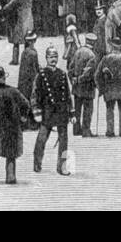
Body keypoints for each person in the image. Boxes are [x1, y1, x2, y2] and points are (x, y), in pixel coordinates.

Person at [31, 45, 72, 176]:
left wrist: (72, 113)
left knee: (64, 141)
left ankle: (62, 167)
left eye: (55, 57)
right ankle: (37, 163)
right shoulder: (41, 75)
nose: (53, 59)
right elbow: (34, 95)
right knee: (41, 139)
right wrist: (36, 112)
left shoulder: (62, 74)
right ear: (46, 58)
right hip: (47, 112)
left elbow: (67, 94)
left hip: (61, 112)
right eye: (50, 57)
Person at [95, 37, 121, 138]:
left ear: (112, 45)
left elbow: (97, 75)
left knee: (109, 109)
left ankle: (110, 132)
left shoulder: (106, 58)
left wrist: (100, 88)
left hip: (109, 89)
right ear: (120, 46)